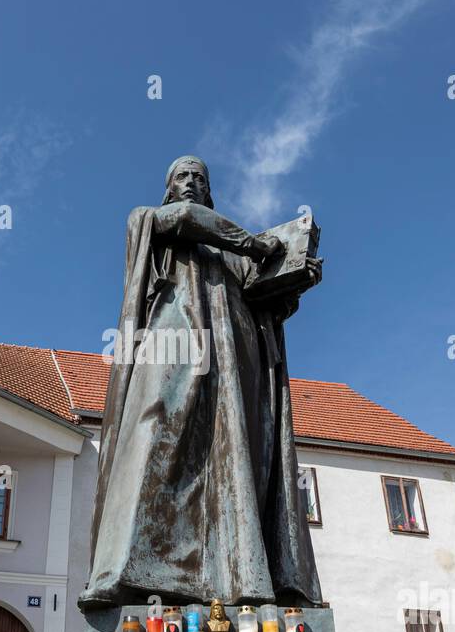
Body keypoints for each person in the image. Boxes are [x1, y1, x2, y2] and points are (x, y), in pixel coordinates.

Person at [79, 155, 323, 609]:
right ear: (169, 188)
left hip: (234, 355)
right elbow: (190, 220)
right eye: (182, 177)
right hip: (173, 340)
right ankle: (128, 567)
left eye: (200, 179)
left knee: (235, 454)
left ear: (209, 190)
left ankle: (234, 574)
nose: (191, 184)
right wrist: (255, 242)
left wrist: (296, 277)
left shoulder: (233, 254)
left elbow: (263, 297)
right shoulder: (152, 219)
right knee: (154, 430)